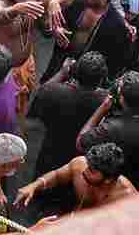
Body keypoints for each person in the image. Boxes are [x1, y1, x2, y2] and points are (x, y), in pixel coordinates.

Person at [0, 0, 73, 116]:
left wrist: (55, 3)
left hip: (27, 64)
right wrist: (15, 10)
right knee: (0, 112)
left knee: (21, 106)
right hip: (2, 72)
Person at [31, 52, 111, 189]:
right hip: (81, 158)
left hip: (51, 150)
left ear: (75, 72)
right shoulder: (105, 101)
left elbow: (43, 91)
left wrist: (62, 73)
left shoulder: (55, 92)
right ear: (102, 78)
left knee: (42, 186)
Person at [76, 71, 139, 189]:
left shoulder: (110, 128)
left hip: (113, 179)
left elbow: (80, 143)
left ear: (121, 98)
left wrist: (103, 108)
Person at [14, 143, 136, 217]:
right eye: (88, 165)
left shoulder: (127, 198)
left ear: (108, 179)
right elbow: (57, 175)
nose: (85, 171)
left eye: (92, 171)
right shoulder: (80, 164)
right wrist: (34, 186)